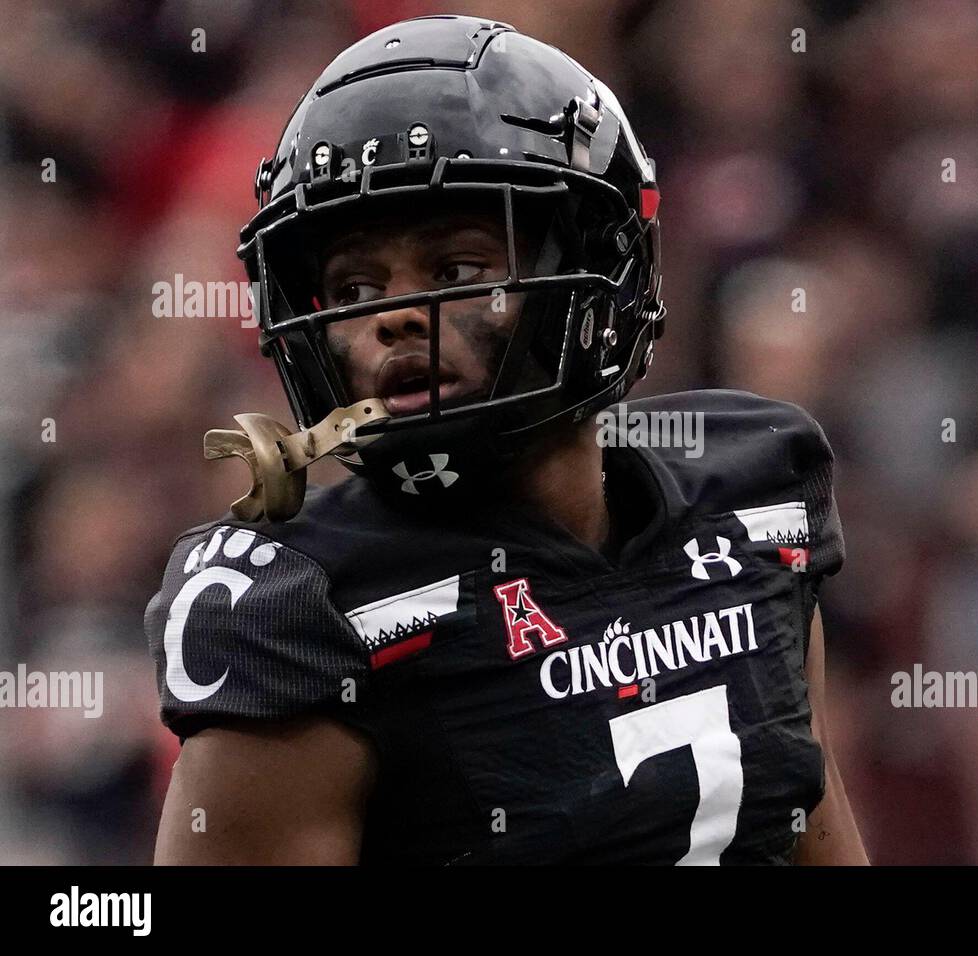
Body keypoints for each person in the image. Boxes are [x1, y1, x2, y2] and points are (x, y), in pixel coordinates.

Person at [146, 14, 867, 865]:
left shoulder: (753, 493)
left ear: (603, 276)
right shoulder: (302, 611)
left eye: (457, 271)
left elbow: (816, 839)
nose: (395, 316)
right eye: (354, 283)